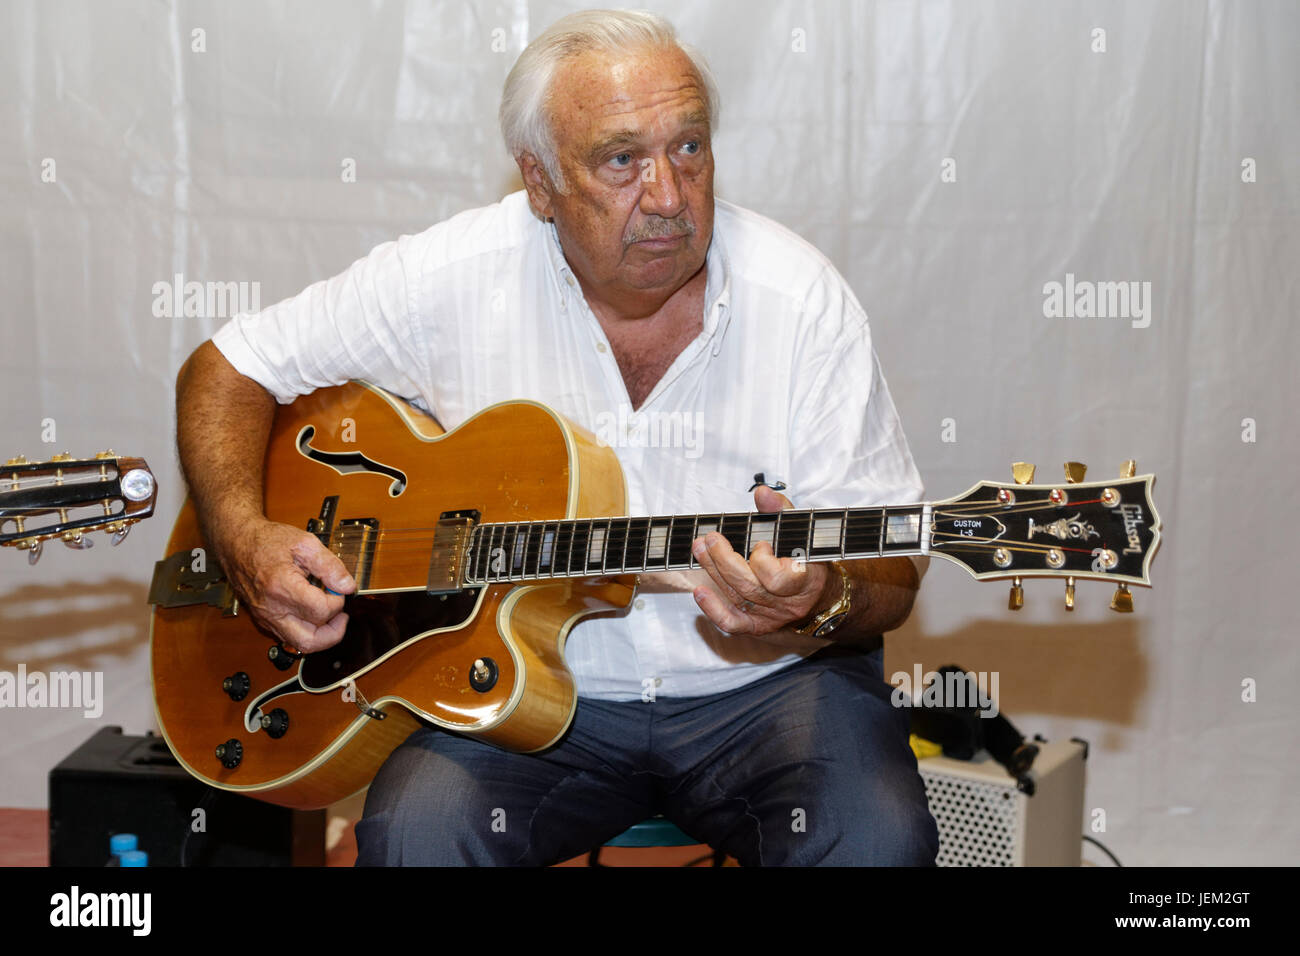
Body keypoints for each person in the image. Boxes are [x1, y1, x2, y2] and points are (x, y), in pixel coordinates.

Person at [176, 9, 939, 866]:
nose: (668, 195)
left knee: (874, 839)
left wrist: (822, 597)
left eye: (689, 147)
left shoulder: (802, 302)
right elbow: (227, 367)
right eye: (621, 160)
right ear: (537, 182)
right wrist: (241, 534)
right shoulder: (455, 274)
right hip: (522, 699)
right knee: (415, 839)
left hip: (765, 690)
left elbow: (893, 575)